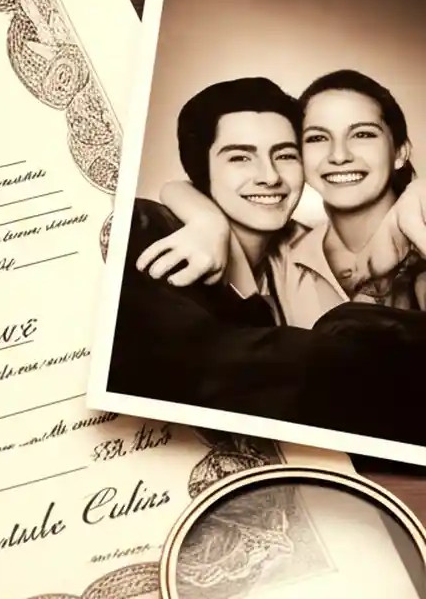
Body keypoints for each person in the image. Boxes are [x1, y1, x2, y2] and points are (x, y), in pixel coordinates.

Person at [109, 77, 426, 444]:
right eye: (240, 157)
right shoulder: (154, 236)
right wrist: (201, 216)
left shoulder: (288, 253)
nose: (269, 176)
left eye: (286, 154)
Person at [143, 70, 426, 328]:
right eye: (317, 138)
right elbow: (182, 187)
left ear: (401, 151)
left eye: (362, 134)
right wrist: (207, 220)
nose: (339, 156)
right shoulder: (284, 252)